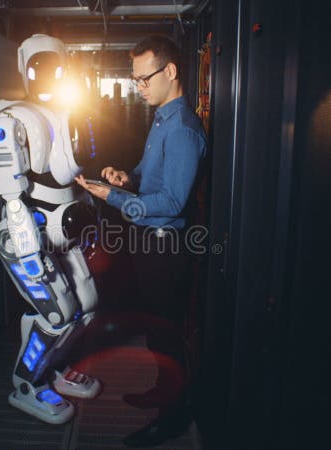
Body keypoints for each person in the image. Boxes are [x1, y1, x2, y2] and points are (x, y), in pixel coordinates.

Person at [75, 34, 207, 447]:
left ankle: (174, 416)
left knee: (167, 334)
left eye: (144, 79)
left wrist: (111, 196)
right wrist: (126, 178)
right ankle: (163, 391)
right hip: (150, 243)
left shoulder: (183, 128)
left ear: (170, 72)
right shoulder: (163, 116)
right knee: (157, 331)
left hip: (166, 246)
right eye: (135, 80)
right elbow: (153, 179)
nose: (139, 87)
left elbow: (170, 201)